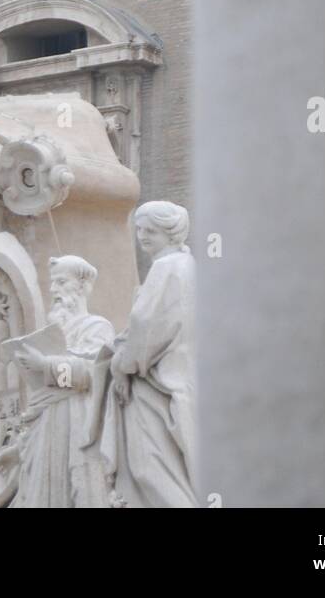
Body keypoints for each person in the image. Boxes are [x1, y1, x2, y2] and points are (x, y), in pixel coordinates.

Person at [0, 255, 114, 508]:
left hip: (77, 421)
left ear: (80, 287)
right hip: (47, 423)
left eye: (60, 282)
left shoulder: (96, 327)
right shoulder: (56, 331)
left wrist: (44, 365)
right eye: (53, 283)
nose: (53, 290)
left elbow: (89, 376)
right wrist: (17, 450)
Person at [100, 201, 198, 507]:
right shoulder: (188, 265)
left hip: (157, 384)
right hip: (180, 377)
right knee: (171, 468)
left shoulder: (167, 268)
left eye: (150, 230)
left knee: (149, 468)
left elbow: (146, 328)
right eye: (139, 228)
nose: (142, 236)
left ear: (170, 233)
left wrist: (120, 364)